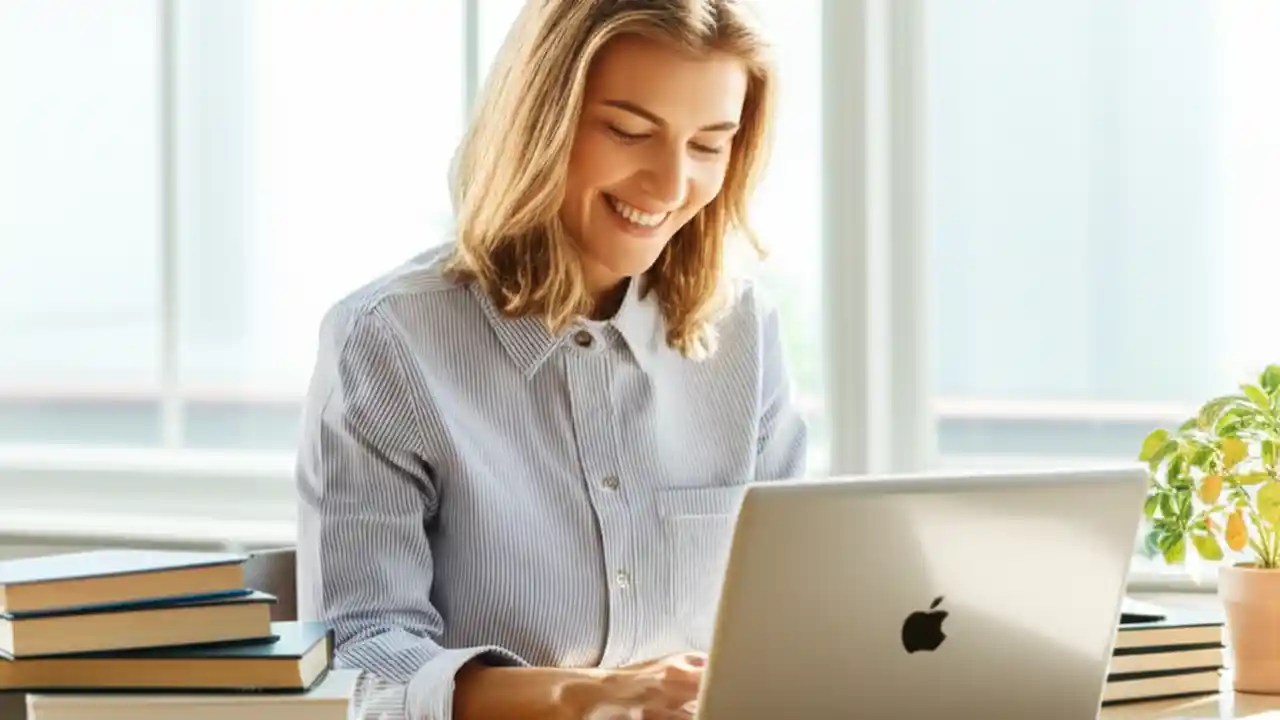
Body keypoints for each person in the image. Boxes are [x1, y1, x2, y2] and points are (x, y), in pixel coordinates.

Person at [295, 1, 807, 718]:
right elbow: (362, 662)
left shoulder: (744, 330)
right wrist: (581, 697)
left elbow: (790, 616)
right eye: (629, 132)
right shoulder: (388, 341)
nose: (669, 186)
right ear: (540, 123)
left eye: (708, 145)